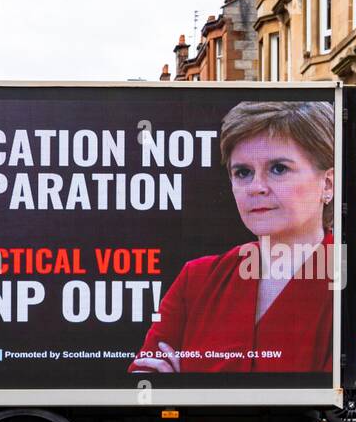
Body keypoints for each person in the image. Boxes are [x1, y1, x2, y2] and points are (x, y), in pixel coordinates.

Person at [129, 101, 337, 375]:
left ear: (328, 184)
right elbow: (145, 378)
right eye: (243, 173)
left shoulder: (341, 279)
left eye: (278, 169)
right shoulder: (198, 279)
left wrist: (186, 388)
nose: (256, 188)